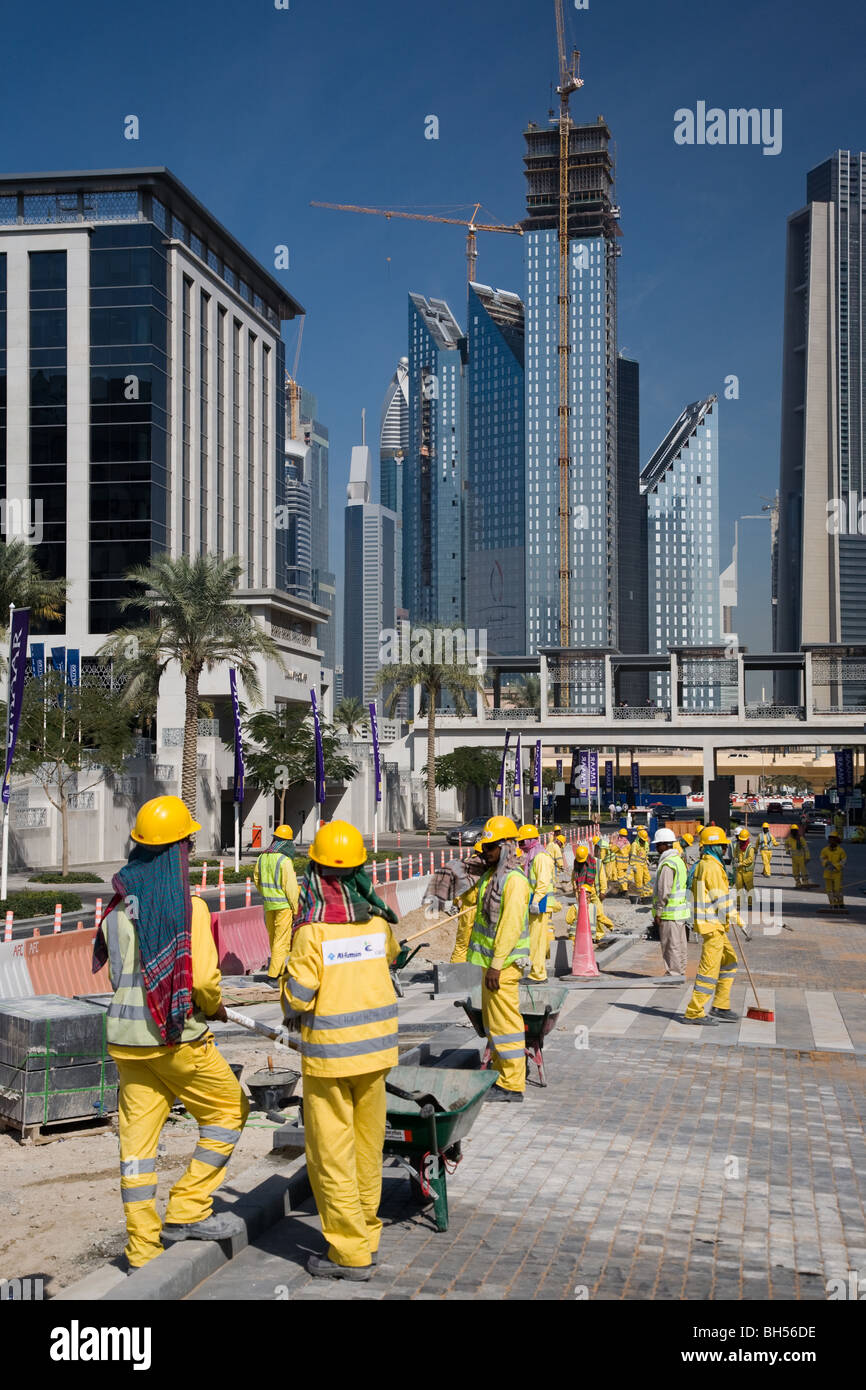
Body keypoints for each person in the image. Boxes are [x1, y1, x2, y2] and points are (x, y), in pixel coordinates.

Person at [93, 796, 248, 1269]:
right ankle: (188, 1207)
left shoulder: (116, 910)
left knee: (137, 1150)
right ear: (177, 848)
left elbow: (118, 977)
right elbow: (201, 980)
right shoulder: (189, 908)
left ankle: (142, 1251)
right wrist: (211, 1004)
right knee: (228, 1109)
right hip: (176, 1038)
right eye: (188, 841)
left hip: (125, 1040)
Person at [282, 819, 401, 1279]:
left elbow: (299, 994)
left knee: (331, 1156)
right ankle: (366, 1235)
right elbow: (388, 957)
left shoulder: (312, 932)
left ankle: (349, 1254)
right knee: (367, 1149)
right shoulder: (376, 922)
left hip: (330, 1058)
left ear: (316, 874)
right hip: (376, 1058)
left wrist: (286, 992)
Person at [466, 816, 531, 1103]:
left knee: (506, 1025)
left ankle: (512, 1083)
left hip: (502, 967)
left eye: (490, 848)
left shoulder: (514, 881)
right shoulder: (493, 876)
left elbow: (509, 927)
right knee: (494, 1025)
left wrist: (496, 965)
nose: (485, 853)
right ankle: (499, 1072)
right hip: (490, 965)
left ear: (506, 846)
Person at [682, 825, 742, 1026]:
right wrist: (737, 919)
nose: (725, 850)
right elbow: (720, 898)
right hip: (712, 925)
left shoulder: (702, 864)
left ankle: (720, 1005)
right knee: (708, 971)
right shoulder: (712, 868)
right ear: (714, 847)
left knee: (729, 961)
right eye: (722, 846)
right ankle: (694, 1012)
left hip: (712, 924)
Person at [253, 824, 300, 980]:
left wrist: (267, 894)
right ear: (287, 843)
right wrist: (295, 909)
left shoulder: (262, 857)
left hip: (268, 905)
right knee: (281, 941)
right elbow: (291, 888)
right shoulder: (284, 860)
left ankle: (280, 970)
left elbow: (257, 880)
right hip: (283, 907)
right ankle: (274, 975)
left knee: (274, 940)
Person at [517, 824, 556, 982]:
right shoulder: (532, 856)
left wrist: (536, 901)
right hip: (536, 904)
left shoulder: (540, 857)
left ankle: (538, 974)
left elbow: (543, 883)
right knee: (534, 939)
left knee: (537, 941)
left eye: (522, 842)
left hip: (540, 904)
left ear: (530, 840)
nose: (520, 846)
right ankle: (536, 972)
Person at [651, 827, 690, 976]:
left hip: (669, 912)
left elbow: (663, 891)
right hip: (680, 912)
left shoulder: (667, 864)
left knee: (670, 945)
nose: (656, 847)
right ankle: (680, 969)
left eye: (658, 844)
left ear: (664, 844)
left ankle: (673, 973)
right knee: (680, 944)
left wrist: (659, 912)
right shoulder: (678, 860)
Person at [569, 842, 614, 943]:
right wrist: (575, 891)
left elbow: (602, 877)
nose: (580, 863)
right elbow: (574, 878)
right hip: (582, 893)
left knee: (598, 913)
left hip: (595, 893)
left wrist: (603, 891)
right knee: (583, 915)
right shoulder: (576, 862)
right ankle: (585, 935)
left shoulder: (596, 863)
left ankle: (598, 935)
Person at [820, 832, 848, 912]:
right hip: (828, 873)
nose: (831, 841)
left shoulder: (841, 851)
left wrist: (835, 866)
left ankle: (840, 903)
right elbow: (822, 858)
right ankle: (833, 904)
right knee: (829, 890)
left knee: (837, 889)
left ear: (836, 840)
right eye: (830, 839)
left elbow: (844, 861)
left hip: (837, 873)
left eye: (833, 839)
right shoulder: (825, 850)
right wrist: (826, 862)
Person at [733, 828, 756, 911]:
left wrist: (741, 863)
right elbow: (735, 853)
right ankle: (739, 904)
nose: (741, 842)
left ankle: (750, 904)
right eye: (740, 840)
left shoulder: (750, 848)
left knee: (749, 887)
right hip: (739, 870)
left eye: (743, 840)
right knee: (738, 886)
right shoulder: (738, 845)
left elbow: (750, 859)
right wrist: (735, 859)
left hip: (747, 871)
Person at [629, 827, 652, 899]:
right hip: (637, 865)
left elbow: (646, 853)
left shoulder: (645, 843)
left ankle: (648, 893)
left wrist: (647, 860)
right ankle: (640, 895)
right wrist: (633, 865)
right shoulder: (635, 844)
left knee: (647, 879)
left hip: (644, 864)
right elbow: (633, 855)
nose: (643, 841)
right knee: (639, 880)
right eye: (642, 839)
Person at [785, 824, 811, 888]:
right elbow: (786, 844)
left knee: (803, 872)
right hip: (794, 859)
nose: (793, 832)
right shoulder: (790, 839)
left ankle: (806, 883)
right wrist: (787, 850)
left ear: (797, 831)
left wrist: (807, 857)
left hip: (801, 858)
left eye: (795, 830)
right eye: (792, 830)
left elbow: (806, 848)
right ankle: (798, 883)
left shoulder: (800, 838)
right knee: (795, 872)